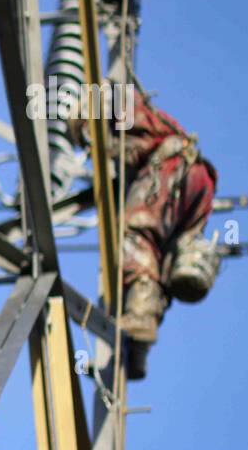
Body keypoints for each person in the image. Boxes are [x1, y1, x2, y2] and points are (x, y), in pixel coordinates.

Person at [78, 93, 219, 380]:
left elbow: (120, 110)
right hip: (197, 183)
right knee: (164, 263)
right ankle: (138, 351)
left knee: (135, 233)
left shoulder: (127, 110)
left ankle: (140, 319)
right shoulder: (146, 122)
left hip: (173, 170)